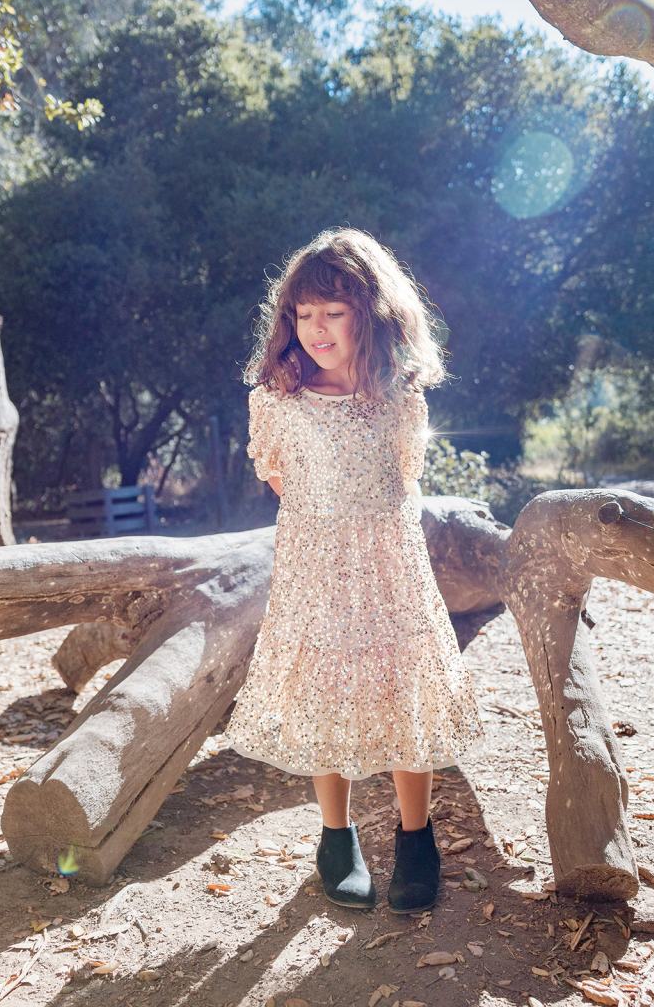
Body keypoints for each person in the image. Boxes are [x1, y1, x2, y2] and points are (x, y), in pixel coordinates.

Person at [224, 226, 485, 914]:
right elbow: (278, 474)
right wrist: (328, 531)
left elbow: (404, 474)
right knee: (325, 688)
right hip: (315, 567)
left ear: (369, 314)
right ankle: (335, 839)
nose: (315, 329)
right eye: (303, 314)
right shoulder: (276, 399)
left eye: (332, 313)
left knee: (402, 689)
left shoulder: (398, 396)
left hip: (391, 566)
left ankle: (415, 838)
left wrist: (366, 533)